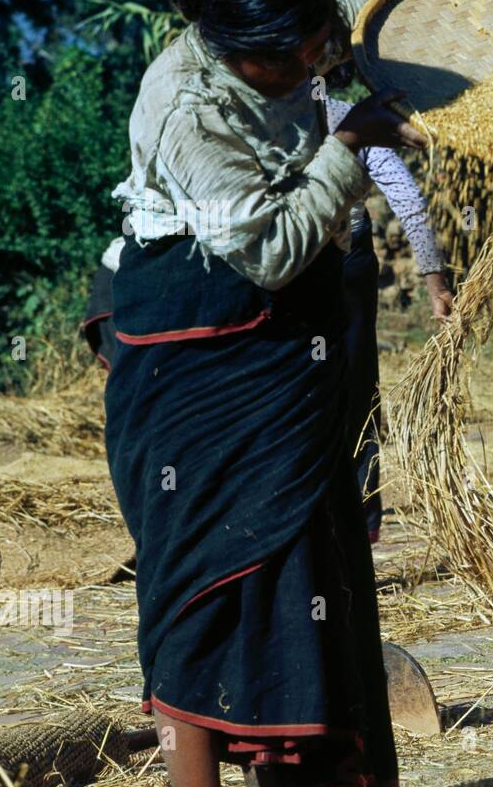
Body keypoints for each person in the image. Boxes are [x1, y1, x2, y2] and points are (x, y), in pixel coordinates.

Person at [105, 0, 487, 787]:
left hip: (282, 343)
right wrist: (347, 150)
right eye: (281, 58)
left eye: (314, 45)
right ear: (228, 44)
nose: (304, 67)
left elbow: (354, 6)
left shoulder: (297, 33)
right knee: (207, 585)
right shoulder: (182, 112)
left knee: (296, 568)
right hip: (193, 343)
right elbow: (269, 250)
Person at [86, 102, 453, 542]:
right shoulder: (329, 114)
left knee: (308, 388)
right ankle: (337, 517)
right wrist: (435, 282)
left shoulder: (257, 114)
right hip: (297, 260)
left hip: (287, 264)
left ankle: (322, 519)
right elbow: (406, 198)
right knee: (347, 386)